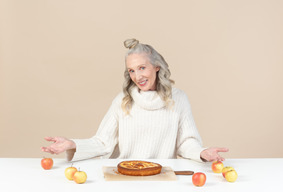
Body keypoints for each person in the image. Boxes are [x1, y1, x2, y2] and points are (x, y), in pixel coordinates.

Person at [41, 38, 229, 162]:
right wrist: (72, 144)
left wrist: (202, 153)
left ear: (156, 67)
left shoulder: (178, 99)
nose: (137, 76)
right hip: (123, 177)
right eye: (131, 70)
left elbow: (187, 142)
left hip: (162, 178)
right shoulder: (123, 100)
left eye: (142, 68)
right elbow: (102, 142)